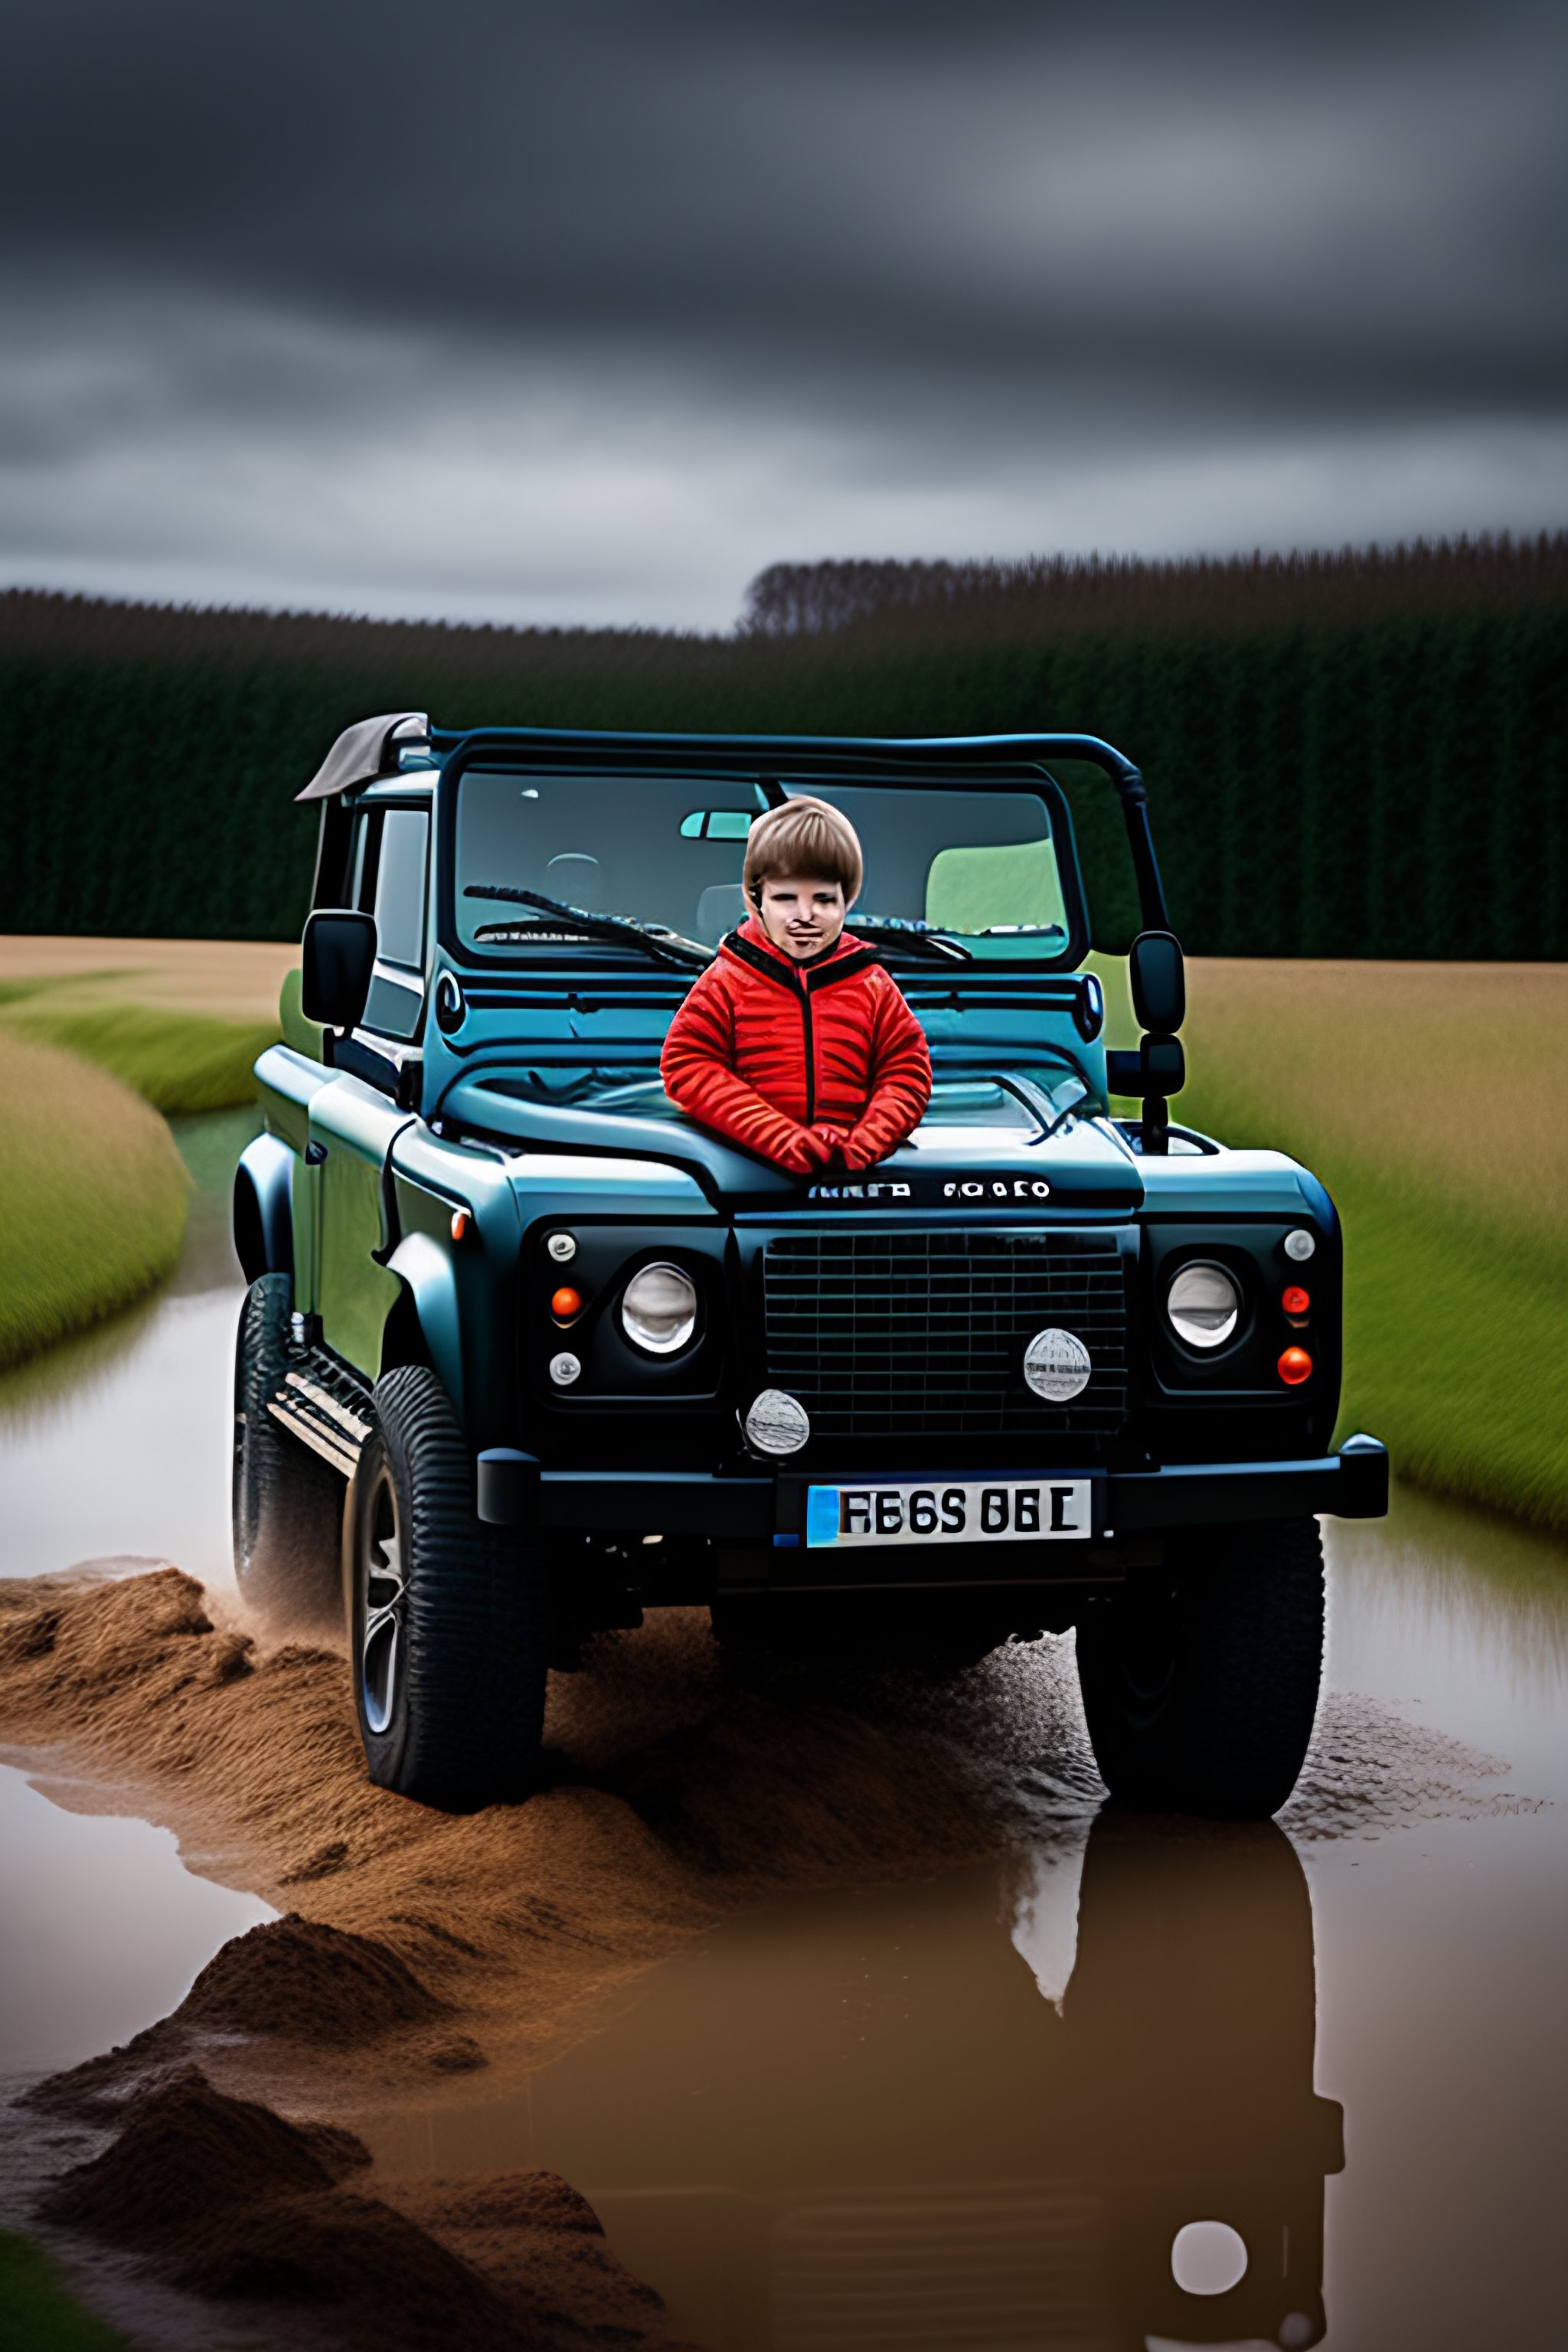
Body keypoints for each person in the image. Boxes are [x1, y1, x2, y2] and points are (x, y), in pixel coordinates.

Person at [661, 796, 932, 1174]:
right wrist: (781, 1138)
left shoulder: (873, 985)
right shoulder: (727, 980)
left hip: (854, 1180)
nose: (805, 916)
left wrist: (868, 1142)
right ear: (756, 900)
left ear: (847, 900)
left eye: (824, 899)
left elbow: (905, 1069)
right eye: (786, 897)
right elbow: (688, 1064)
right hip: (749, 1175)